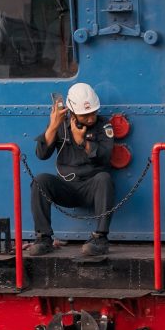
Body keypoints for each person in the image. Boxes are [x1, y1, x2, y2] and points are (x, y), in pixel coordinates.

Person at [27, 82, 115, 257]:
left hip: (92, 187)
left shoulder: (104, 126)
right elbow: (42, 154)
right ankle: (44, 238)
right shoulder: (60, 126)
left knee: (104, 178)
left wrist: (82, 142)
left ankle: (100, 238)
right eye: (85, 115)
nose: (90, 118)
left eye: (93, 113)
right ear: (72, 112)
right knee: (40, 181)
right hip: (66, 187)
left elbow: (105, 156)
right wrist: (53, 125)